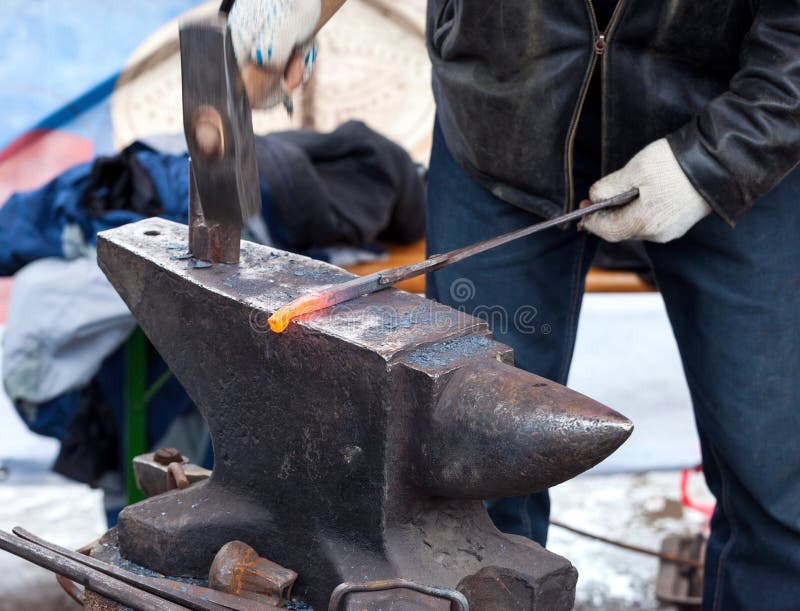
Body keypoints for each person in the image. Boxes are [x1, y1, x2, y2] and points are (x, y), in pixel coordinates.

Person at [226, 1, 800, 609]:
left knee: (778, 492)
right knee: (471, 487)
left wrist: (711, 164)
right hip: (502, 128)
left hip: (737, 119)